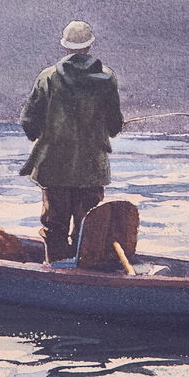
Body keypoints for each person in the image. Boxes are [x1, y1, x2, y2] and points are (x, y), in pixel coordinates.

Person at [19, 20, 125, 263]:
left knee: (54, 225)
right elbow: (114, 125)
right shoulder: (108, 78)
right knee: (89, 226)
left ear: (66, 47)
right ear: (89, 46)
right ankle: (84, 273)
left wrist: (42, 138)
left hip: (53, 165)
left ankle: (56, 273)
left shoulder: (47, 77)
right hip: (92, 167)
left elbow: (29, 121)